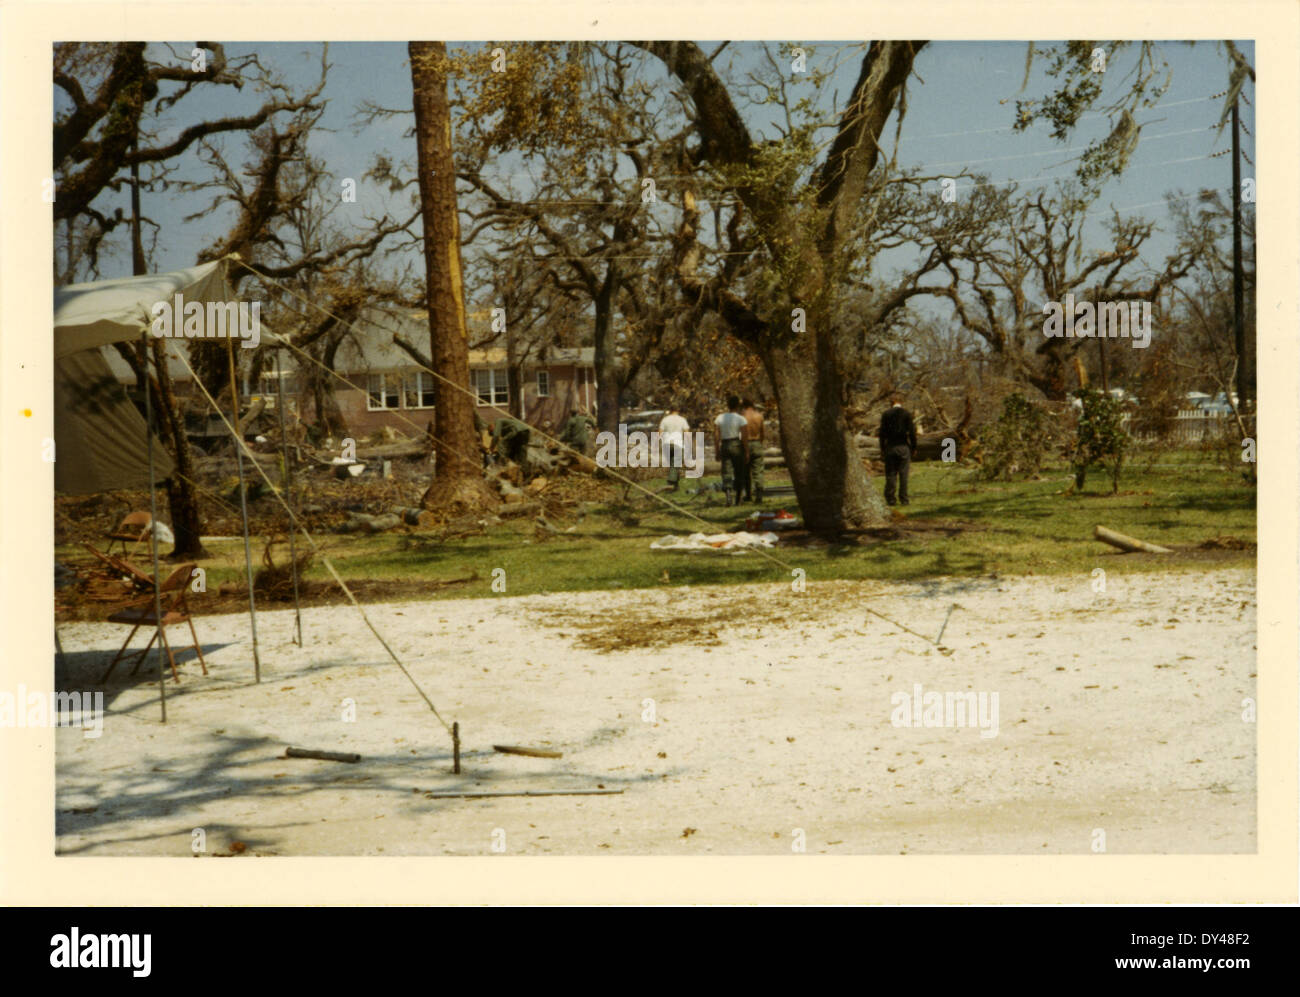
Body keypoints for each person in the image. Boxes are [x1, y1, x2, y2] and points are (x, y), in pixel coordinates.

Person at [878, 392, 917, 506]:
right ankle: (904, 498)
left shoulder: (886, 414)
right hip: (903, 446)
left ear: (891, 402)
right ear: (902, 402)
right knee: (904, 474)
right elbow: (912, 433)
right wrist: (914, 447)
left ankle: (890, 498)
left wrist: (882, 448)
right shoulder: (907, 414)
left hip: (890, 447)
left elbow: (882, 433)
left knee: (891, 474)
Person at [713, 395, 749, 507]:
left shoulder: (720, 418)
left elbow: (716, 435)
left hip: (725, 444)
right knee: (739, 471)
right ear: (738, 405)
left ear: (728, 405)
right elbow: (744, 436)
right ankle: (738, 498)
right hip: (736, 444)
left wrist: (717, 449)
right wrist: (746, 450)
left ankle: (728, 496)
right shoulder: (741, 419)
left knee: (726, 471)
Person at [658, 406, 690, 490]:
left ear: (671, 410)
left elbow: (660, 433)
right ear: (678, 410)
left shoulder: (665, 420)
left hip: (667, 444)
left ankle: (675, 486)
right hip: (678, 444)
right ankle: (671, 483)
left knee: (673, 465)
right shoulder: (682, 419)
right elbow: (687, 433)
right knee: (675, 465)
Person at [740, 399, 765, 503]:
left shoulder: (742, 417)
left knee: (746, 471)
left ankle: (748, 494)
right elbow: (763, 432)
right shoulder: (759, 416)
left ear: (744, 406)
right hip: (757, 442)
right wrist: (760, 443)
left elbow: (741, 432)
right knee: (758, 471)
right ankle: (759, 494)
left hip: (745, 443)